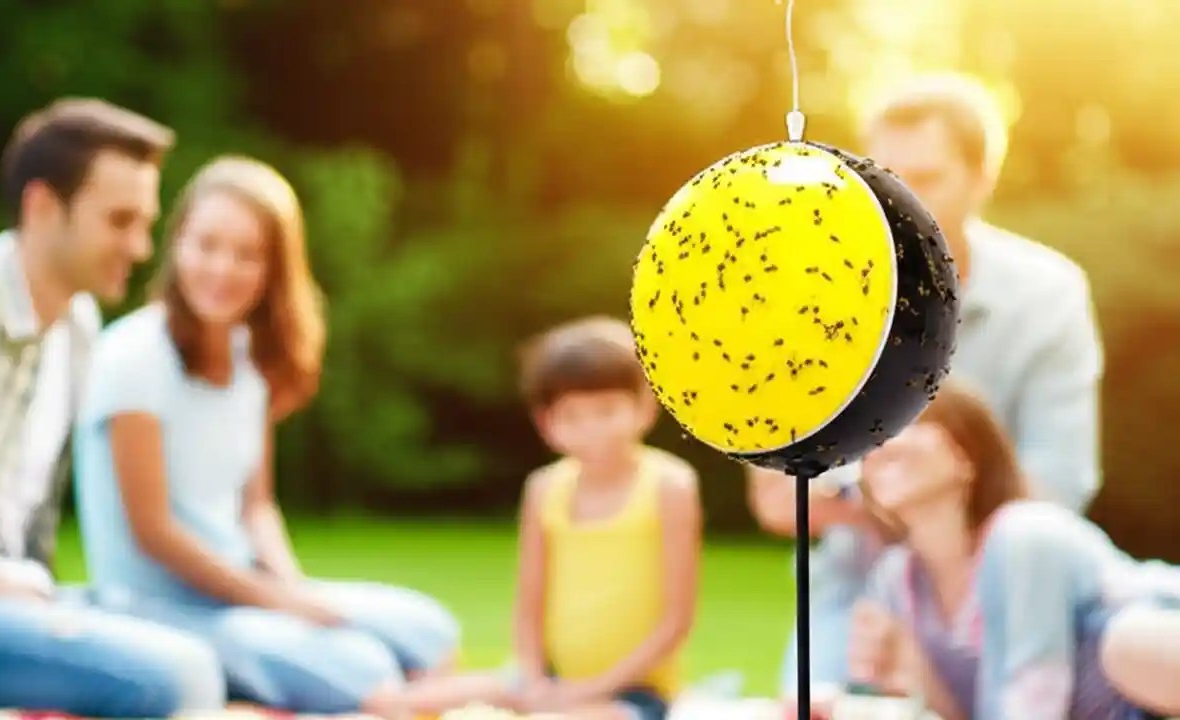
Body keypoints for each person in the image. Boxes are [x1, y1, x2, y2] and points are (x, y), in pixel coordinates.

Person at [746, 72, 1106, 693]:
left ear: (983, 177)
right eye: (885, 177)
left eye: (929, 178)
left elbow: (1058, 487)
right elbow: (780, 502)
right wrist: (931, 497)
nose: (902, 200)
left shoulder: (1049, 294)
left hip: (1008, 587)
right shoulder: (806, 299)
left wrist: (880, 501)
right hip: (859, 588)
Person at [73, 155, 461, 716]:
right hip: (155, 604)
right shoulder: (134, 356)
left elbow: (257, 506)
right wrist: (277, 603)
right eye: (207, 245)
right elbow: (153, 533)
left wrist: (292, 588)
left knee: (430, 630)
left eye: (247, 254)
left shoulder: (248, 360)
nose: (223, 268)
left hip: (245, 590)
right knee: (365, 670)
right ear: (177, 243)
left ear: (274, 268)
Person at [0, 98, 226, 717]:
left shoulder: (77, 326)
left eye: (145, 223)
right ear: (44, 207)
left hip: (10, 601)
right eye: (120, 221)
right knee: (175, 677)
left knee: (215, 649)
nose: (140, 246)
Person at [357, 316, 703, 720]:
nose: (592, 429)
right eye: (573, 416)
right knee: (391, 703)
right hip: (545, 677)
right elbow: (529, 603)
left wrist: (586, 691)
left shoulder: (670, 486)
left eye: (607, 411)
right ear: (546, 423)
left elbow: (676, 622)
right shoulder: (544, 488)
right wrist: (537, 680)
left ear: (645, 406)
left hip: (633, 693)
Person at [846, 380, 1180, 720]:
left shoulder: (1023, 534)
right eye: (876, 435)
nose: (885, 445)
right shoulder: (896, 581)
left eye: (911, 424)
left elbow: (1035, 693)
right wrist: (910, 672)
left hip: (1162, 634)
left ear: (966, 454)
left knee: (1130, 645)